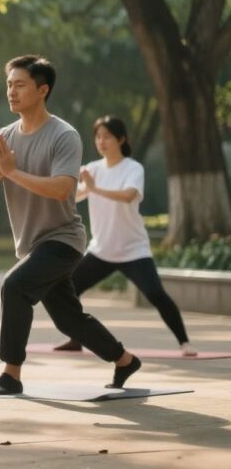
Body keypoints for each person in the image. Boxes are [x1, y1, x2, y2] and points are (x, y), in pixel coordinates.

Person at [0, 55, 140, 395]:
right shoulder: (2, 137)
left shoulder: (64, 135)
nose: (11, 92)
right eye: (9, 85)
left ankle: (11, 374)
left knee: (15, 285)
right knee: (68, 319)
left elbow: (63, 187)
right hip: (33, 245)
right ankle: (124, 360)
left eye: (20, 85)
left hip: (63, 239)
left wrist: (13, 173)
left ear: (42, 89)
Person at [54, 115, 195, 355]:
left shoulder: (132, 168)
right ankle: (76, 339)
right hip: (102, 250)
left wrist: (94, 188)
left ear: (121, 139)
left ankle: (185, 342)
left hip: (133, 250)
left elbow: (129, 195)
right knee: (68, 289)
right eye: (98, 137)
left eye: (107, 136)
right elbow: (71, 197)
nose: (102, 141)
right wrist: (76, 186)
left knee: (155, 294)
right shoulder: (92, 169)